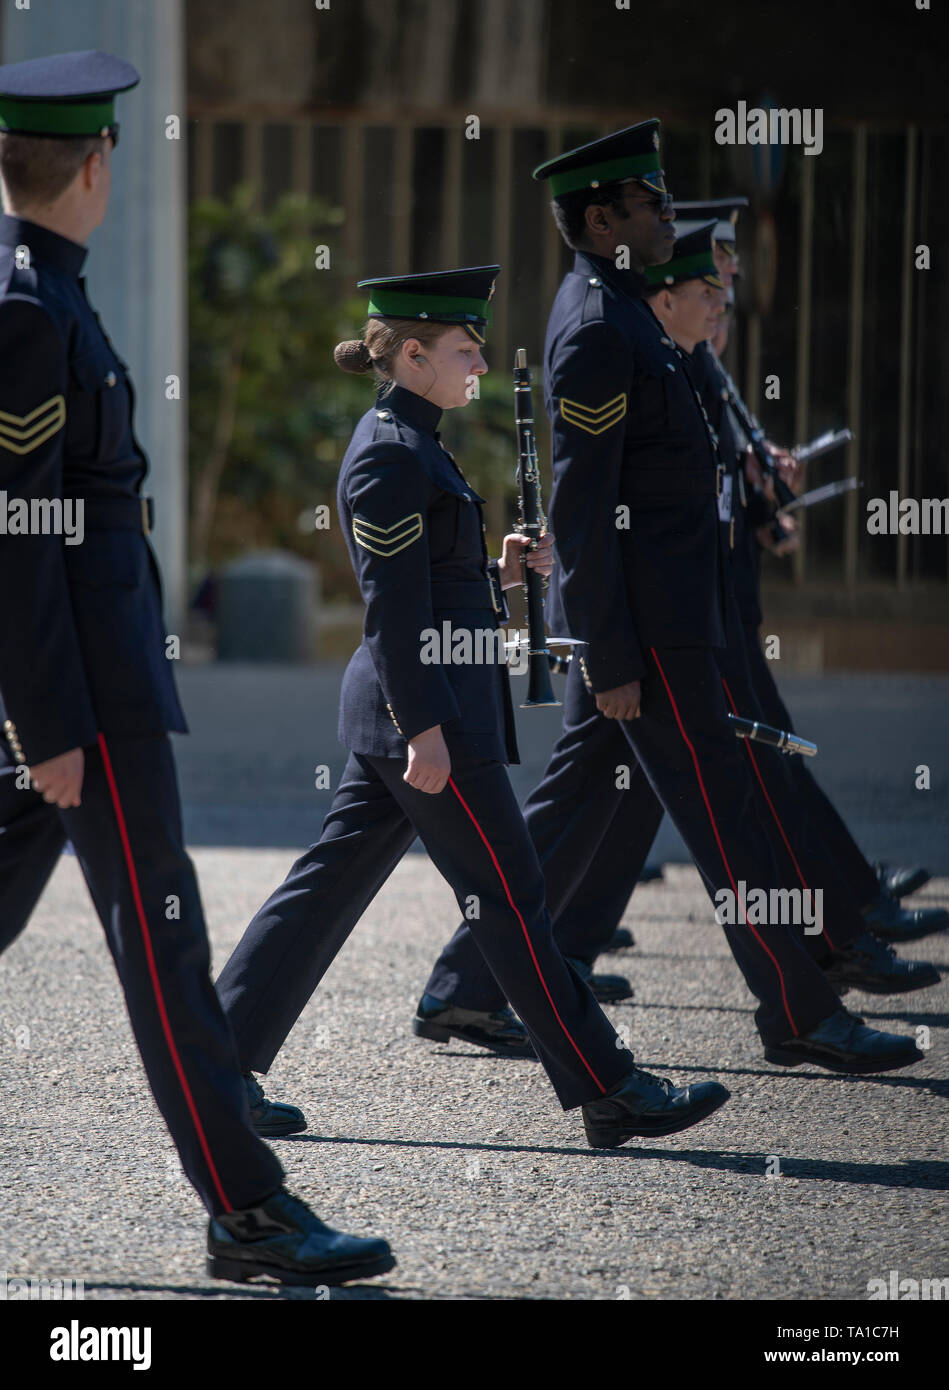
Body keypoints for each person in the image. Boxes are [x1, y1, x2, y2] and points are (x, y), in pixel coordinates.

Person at [413, 123, 927, 1076]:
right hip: (648, 639)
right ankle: (801, 1012)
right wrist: (609, 659)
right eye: (649, 203)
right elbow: (586, 502)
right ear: (600, 216)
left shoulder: (621, 310)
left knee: (577, 807)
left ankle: (467, 987)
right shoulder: (601, 327)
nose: (664, 216)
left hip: (664, 625)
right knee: (726, 822)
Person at [0, 48, 394, 1289]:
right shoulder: (27, 307)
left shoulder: (45, 291)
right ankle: (248, 1210)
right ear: (98, 161)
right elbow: (17, 541)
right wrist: (50, 724)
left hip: (76, 688)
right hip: (87, 704)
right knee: (165, 944)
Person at [214, 264, 730, 1149]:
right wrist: (425, 733)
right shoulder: (389, 451)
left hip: (423, 715)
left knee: (327, 886)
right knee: (511, 897)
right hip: (430, 720)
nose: (480, 364)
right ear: (411, 355)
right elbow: (392, 611)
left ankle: (216, 1070)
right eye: (464, 349)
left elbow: (430, 582)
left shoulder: (411, 439)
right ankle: (610, 1088)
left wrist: (496, 571)